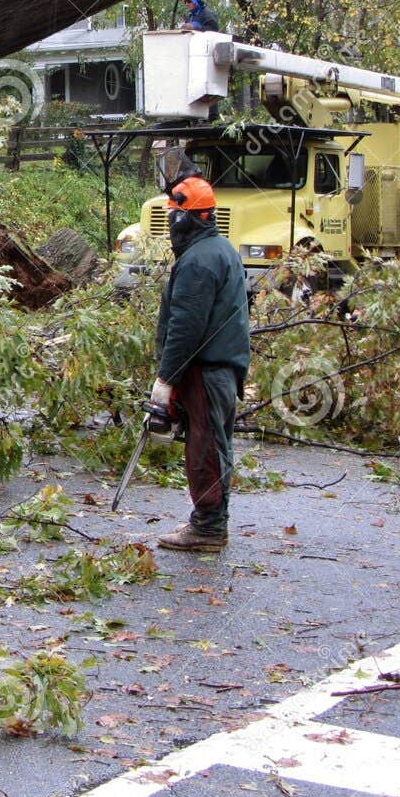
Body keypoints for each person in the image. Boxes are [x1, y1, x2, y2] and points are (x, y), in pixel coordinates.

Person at [151, 175, 250, 551]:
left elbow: (186, 326)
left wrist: (167, 378)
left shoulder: (198, 261)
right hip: (222, 368)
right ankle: (210, 521)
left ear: (186, 218)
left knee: (205, 447)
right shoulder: (221, 250)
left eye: (174, 214)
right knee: (215, 444)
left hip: (205, 370)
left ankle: (208, 528)